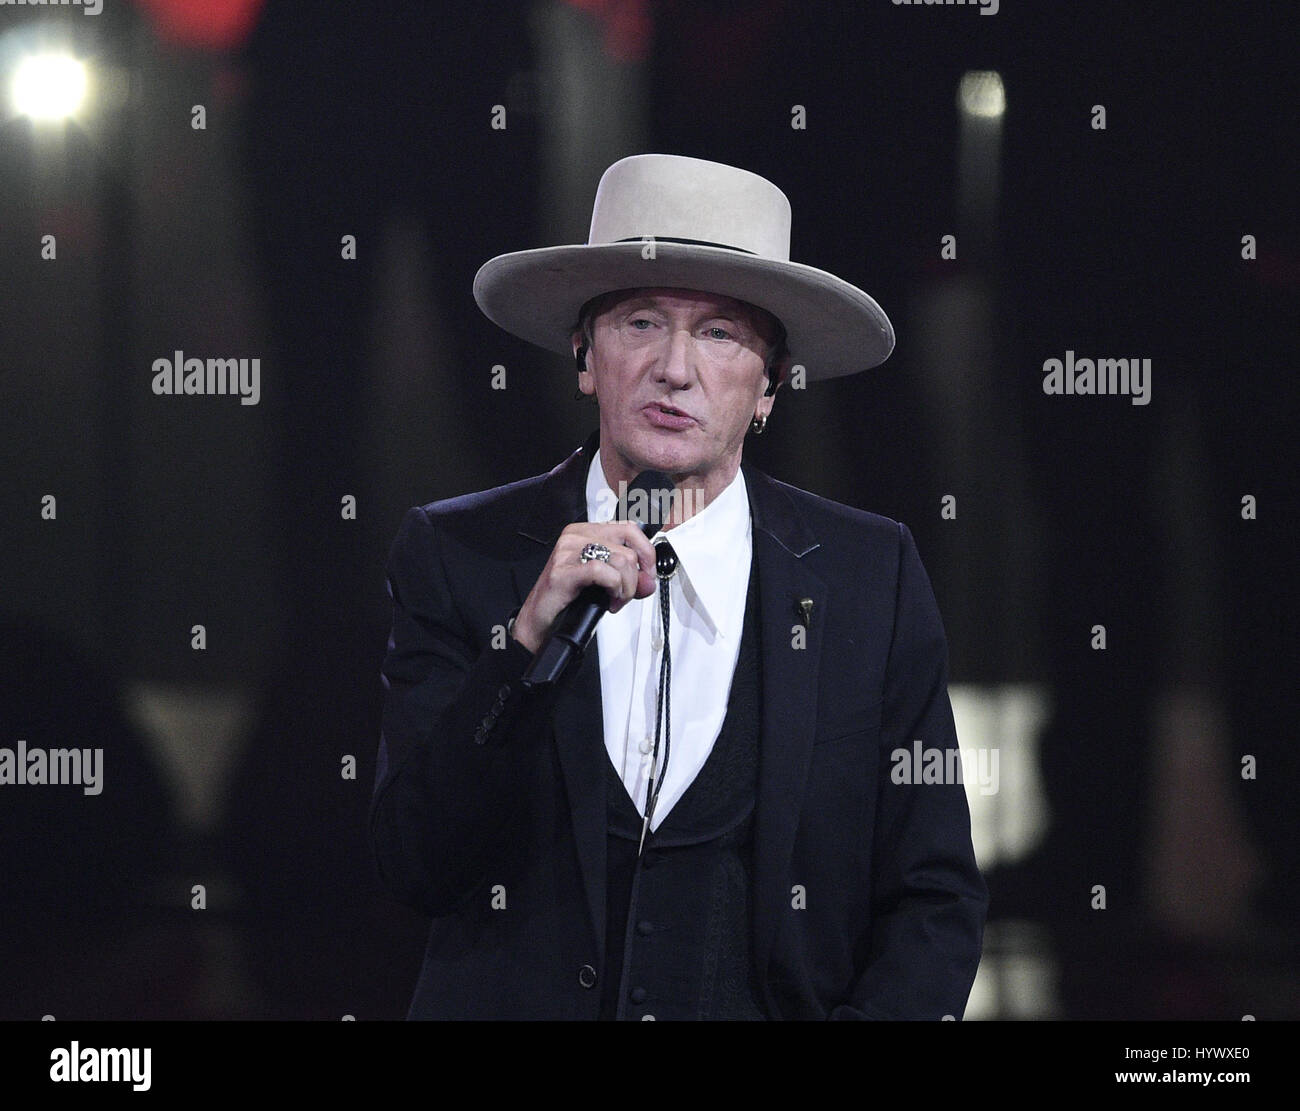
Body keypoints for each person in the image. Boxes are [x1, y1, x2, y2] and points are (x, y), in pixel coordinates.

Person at [369, 153, 987, 1020]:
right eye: (641, 322)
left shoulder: (866, 577)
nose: (675, 368)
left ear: (769, 385)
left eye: (721, 333)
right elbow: (414, 862)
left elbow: (933, 902)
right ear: (584, 354)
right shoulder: (458, 553)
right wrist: (522, 645)